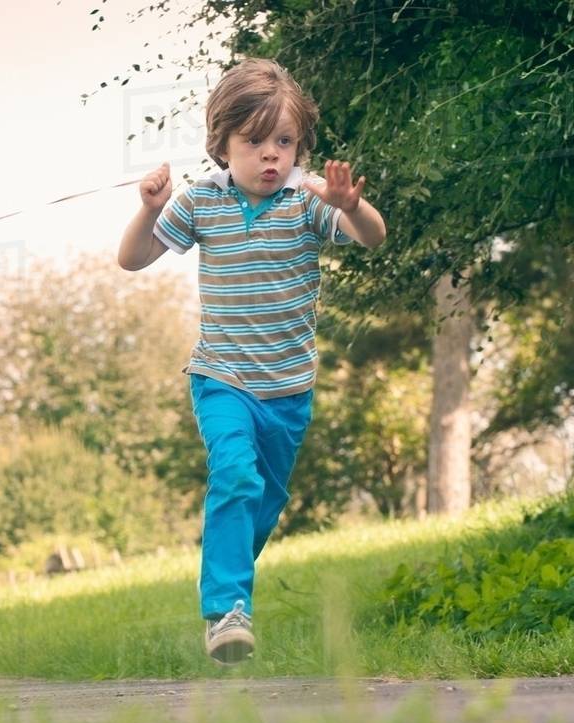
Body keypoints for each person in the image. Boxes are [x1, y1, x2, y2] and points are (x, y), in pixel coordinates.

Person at [117, 57, 387, 664]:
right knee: (236, 475)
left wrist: (349, 206)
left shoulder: (307, 201)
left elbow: (374, 236)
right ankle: (226, 611)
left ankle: (226, 562)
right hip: (222, 377)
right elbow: (131, 259)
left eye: (284, 142)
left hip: (289, 387)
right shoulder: (200, 201)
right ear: (222, 145)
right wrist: (150, 210)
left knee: (264, 500)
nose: (272, 156)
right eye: (255, 141)